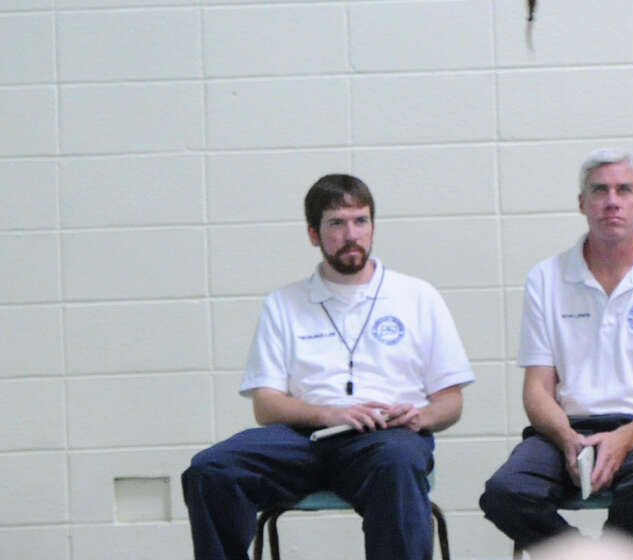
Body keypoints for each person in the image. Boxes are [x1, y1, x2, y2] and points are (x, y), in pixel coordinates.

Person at [182, 174, 474, 560]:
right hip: (302, 440)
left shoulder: (418, 296)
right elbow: (266, 405)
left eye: (360, 221)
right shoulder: (283, 303)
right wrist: (328, 414)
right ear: (313, 234)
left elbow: (451, 402)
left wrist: (421, 417)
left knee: (397, 462)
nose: (351, 234)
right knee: (211, 470)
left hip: (384, 439)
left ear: (372, 227)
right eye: (336, 223)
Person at [480, 149, 633, 550]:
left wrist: (625, 438)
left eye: (624, 190)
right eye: (600, 191)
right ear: (582, 203)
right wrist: (566, 438)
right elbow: (537, 389)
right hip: (566, 429)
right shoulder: (546, 278)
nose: (611, 201)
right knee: (506, 493)